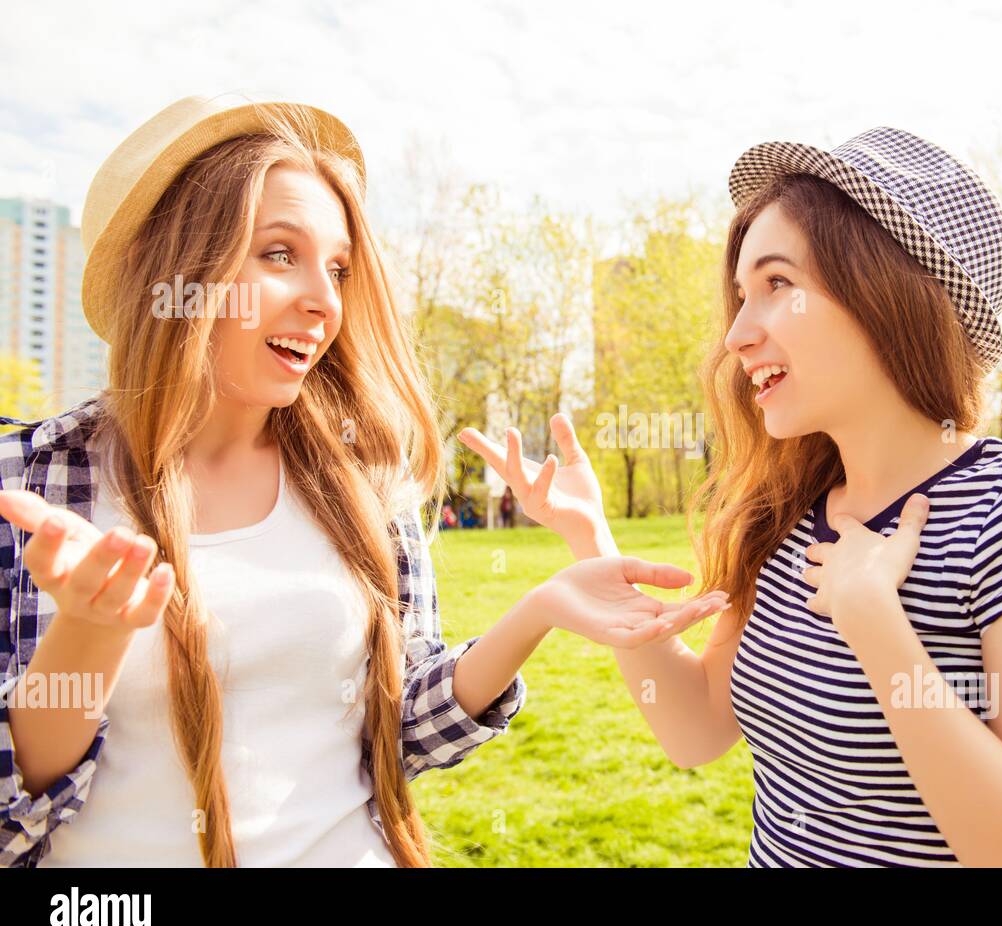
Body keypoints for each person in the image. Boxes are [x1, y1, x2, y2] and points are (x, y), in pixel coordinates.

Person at [0, 94, 723, 868]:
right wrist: (92, 629)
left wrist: (535, 611)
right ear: (179, 268)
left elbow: (403, 729)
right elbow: (13, 816)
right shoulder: (35, 479)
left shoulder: (362, 481)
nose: (324, 301)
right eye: (279, 254)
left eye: (339, 268)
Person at [460, 127, 1002, 868]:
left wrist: (873, 618)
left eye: (777, 285)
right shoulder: (784, 512)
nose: (737, 334)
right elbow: (699, 727)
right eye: (741, 297)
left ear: (884, 292)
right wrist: (591, 539)